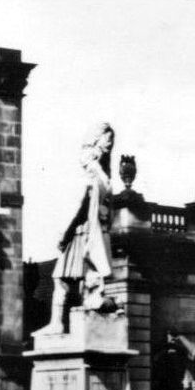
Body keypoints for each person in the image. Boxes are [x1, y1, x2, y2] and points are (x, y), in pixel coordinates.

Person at [44, 122, 117, 333]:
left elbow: (79, 208)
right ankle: (89, 317)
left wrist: (64, 236)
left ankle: (56, 324)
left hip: (80, 234)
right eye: (108, 140)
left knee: (60, 280)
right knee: (87, 281)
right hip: (95, 236)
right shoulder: (106, 179)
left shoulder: (91, 176)